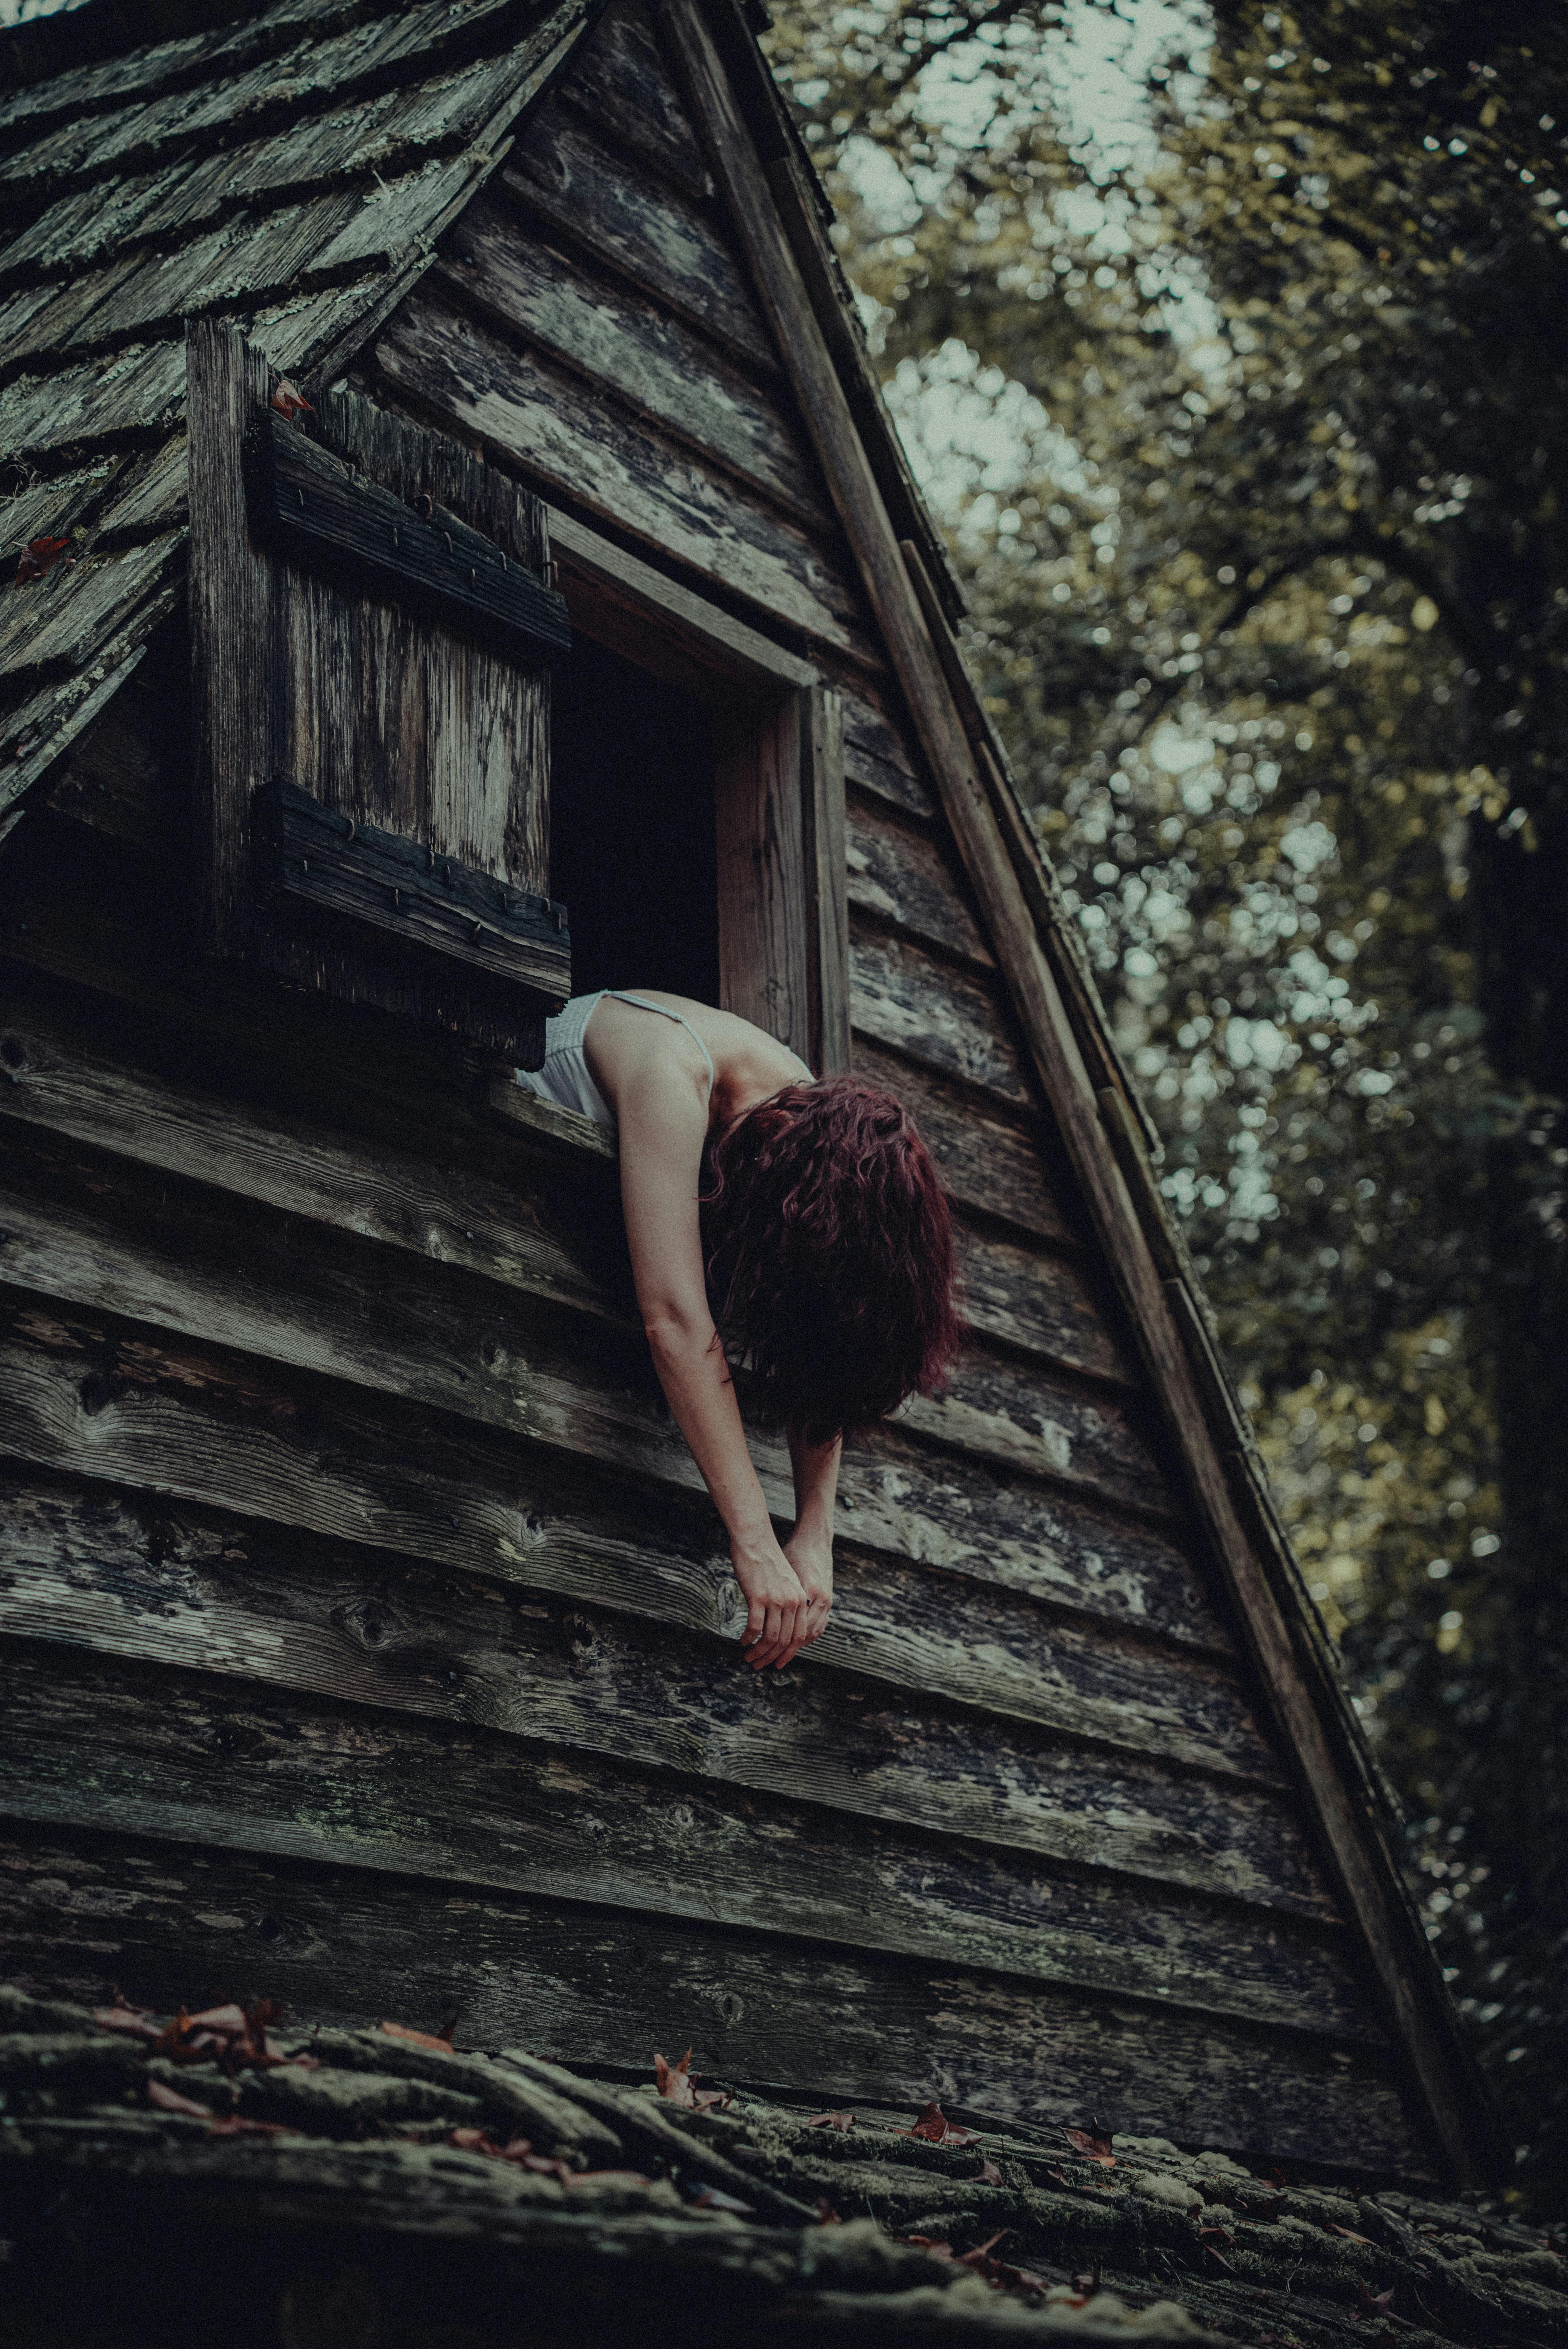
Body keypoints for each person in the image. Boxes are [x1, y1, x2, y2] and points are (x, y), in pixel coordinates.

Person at [517, 989, 962, 1672]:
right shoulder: (673, 1071)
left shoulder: (815, 1132)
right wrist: (755, 1541)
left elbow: (827, 1341)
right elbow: (674, 1317)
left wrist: (817, 1530)